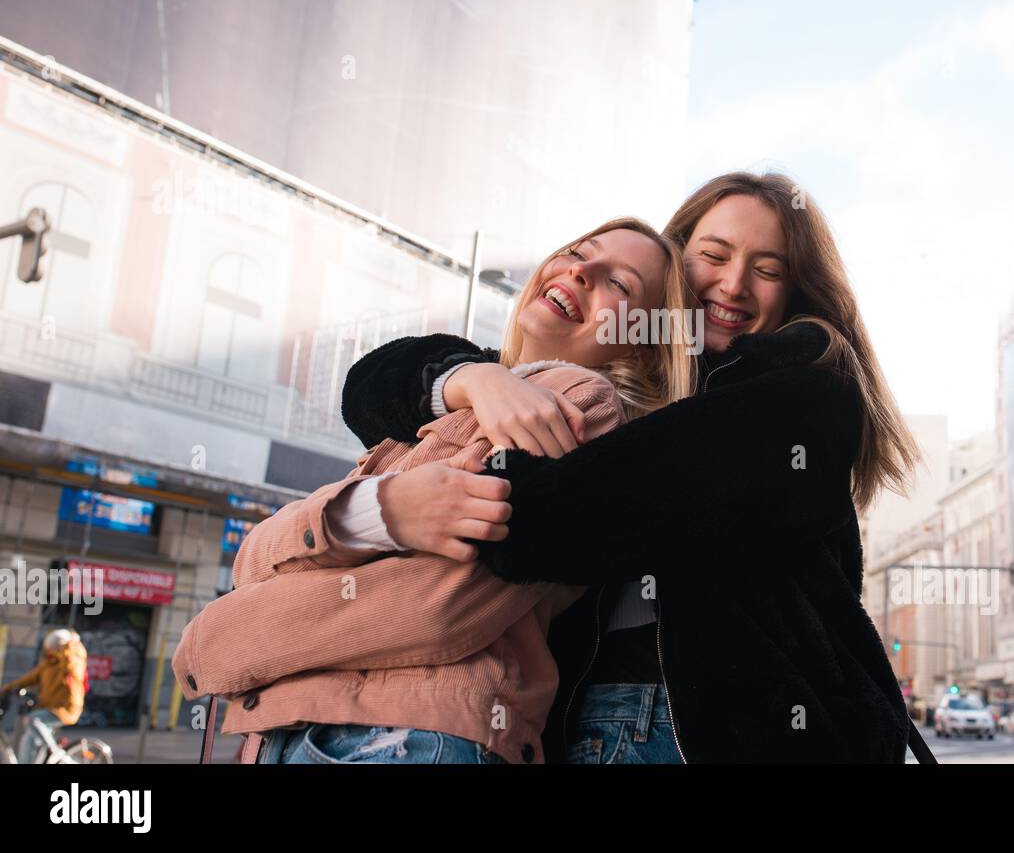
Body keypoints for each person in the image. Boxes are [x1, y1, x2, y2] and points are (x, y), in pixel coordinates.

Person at [333, 171, 931, 763]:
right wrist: (473, 378)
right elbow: (368, 388)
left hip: (695, 723)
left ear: (795, 294)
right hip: (569, 718)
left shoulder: (801, 393)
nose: (733, 284)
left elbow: (548, 522)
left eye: (768, 270)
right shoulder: (614, 380)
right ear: (673, 264)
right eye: (713, 256)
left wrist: (420, 497)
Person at [173, 219, 696, 764]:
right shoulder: (449, 398)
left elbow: (433, 604)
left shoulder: (580, 405)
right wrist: (384, 510)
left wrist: (220, 636)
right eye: (578, 251)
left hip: (404, 738)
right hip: (297, 733)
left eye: (620, 284)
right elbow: (250, 562)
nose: (582, 270)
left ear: (640, 347)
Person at [1, 628, 88, 764]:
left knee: (32, 720)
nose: (49, 651)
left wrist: (70, 645)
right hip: (47, 708)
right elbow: (28, 679)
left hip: (65, 709)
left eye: (53, 648)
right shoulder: (47, 665)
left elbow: (71, 667)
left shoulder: (73, 660)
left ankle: (56, 752)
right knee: (28, 739)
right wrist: (6, 688)